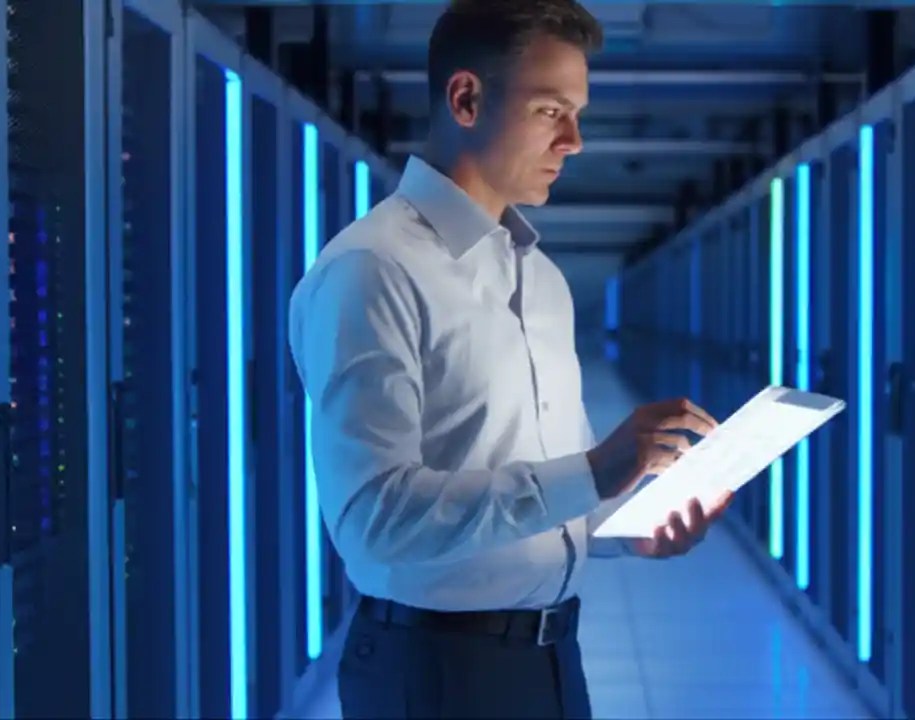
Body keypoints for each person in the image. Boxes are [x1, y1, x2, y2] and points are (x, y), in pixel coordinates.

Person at [287, 0, 734, 717]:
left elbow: (550, 486)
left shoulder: (542, 280)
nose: (575, 140)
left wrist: (629, 524)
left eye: (578, 113)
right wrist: (594, 471)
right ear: (466, 99)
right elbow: (374, 519)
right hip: (433, 671)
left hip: (554, 661)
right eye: (550, 110)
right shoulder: (373, 270)